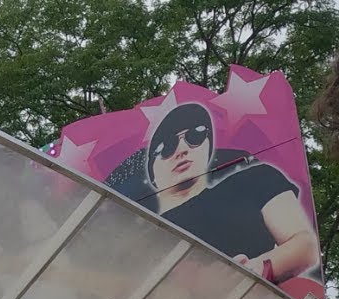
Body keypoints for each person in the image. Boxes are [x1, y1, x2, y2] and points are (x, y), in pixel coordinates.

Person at [137, 103, 322, 286]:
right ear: (152, 172)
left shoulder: (254, 179)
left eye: (196, 135)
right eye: (166, 146)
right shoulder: (139, 234)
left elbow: (303, 245)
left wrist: (253, 269)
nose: (182, 149)